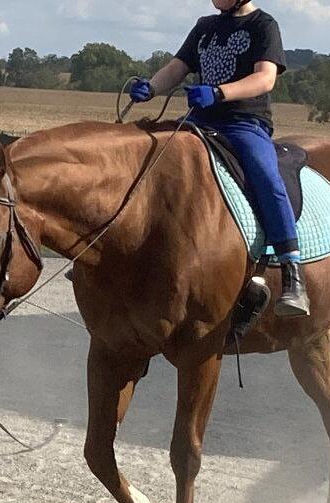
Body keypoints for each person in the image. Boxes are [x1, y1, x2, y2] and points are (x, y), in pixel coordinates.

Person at [129, 0, 309, 317]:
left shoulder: (263, 25)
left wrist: (219, 92)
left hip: (244, 123)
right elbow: (177, 67)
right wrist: (152, 87)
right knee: (149, 159)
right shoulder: (205, 26)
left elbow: (265, 79)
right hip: (199, 120)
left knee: (266, 177)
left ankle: (292, 272)